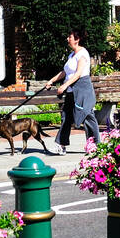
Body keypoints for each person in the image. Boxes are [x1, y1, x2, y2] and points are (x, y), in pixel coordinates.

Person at [44, 27, 100, 155]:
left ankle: (95, 146)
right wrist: (51, 81)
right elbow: (65, 72)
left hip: (82, 89)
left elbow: (78, 74)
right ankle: (61, 145)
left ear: (77, 39)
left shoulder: (83, 53)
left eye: (70, 37)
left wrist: (64, 86)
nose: (67, 39)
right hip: (72, 90)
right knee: (66, 117)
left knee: (87, 116)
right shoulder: (71, 55)